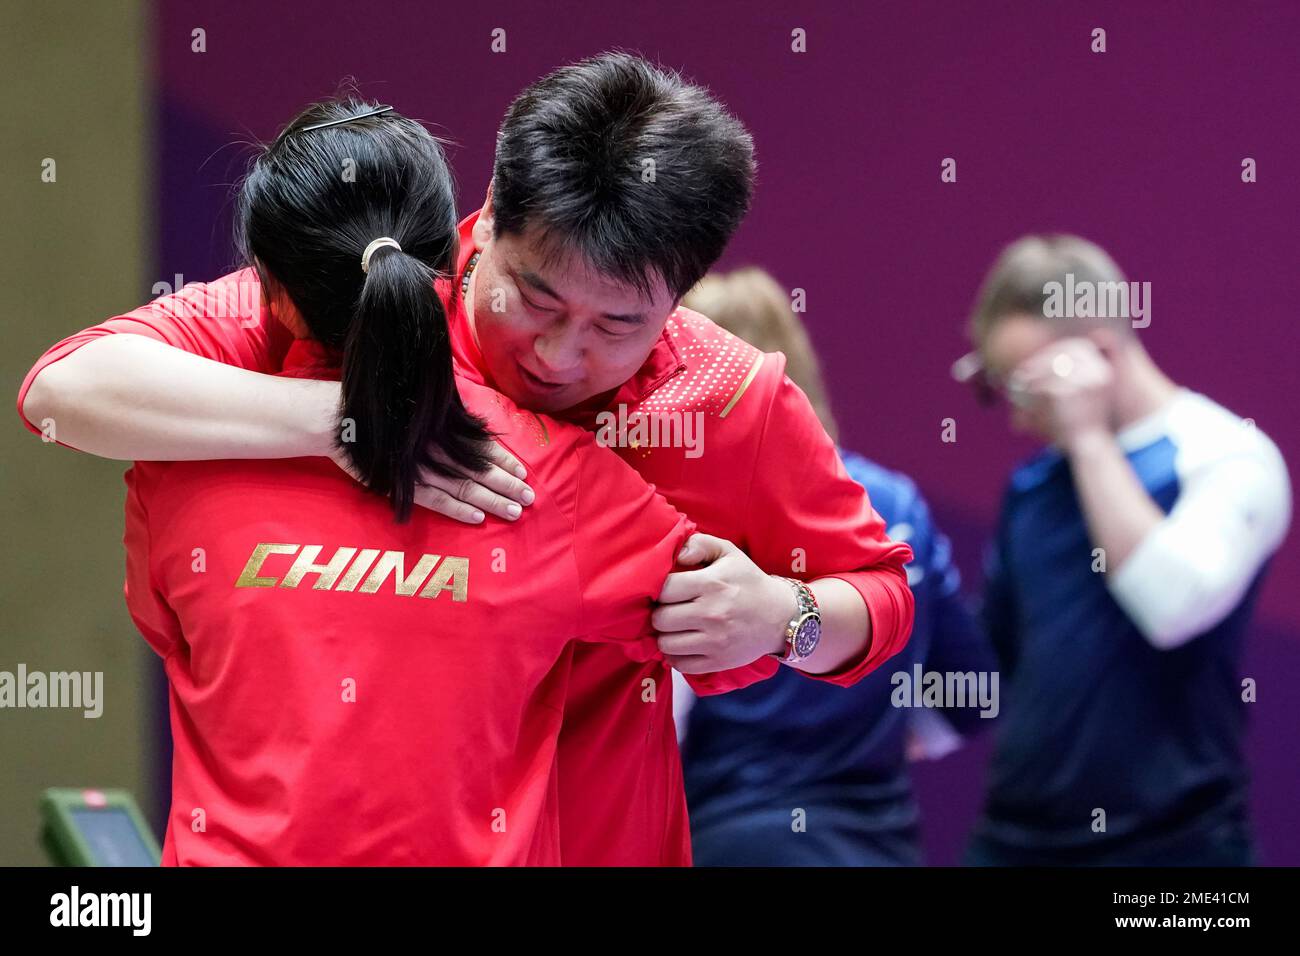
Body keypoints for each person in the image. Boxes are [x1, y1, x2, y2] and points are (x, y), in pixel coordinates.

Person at [19, 54, 915, 866]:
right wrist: (361, 420)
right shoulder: (377, 284)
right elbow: (65, 389)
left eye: (617, 327)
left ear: (680, 297)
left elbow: (880, 594)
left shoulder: (728, 400)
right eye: (534, 296)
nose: (560, 355)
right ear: (486, 223)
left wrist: (780, 613)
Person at [86, 97, 696, 865]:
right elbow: (723, 629)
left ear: (269, 292)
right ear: (450, 262)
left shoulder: (177, 464)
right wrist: (798, 611)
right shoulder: (558, 479)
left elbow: (166, 625)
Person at [952, 234, 1291, 866]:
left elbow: (1170, 607)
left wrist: (1087, 438)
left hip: (1175, 851)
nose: (1018, 420)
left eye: (1027, 390)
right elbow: (990, 662)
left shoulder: (1228, 457)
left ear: (1100, 354)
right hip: (1015, 842)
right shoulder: (1033, 486)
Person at [678, 268, 996, 865]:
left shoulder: (671, 515)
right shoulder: (894, 502)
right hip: (875, 844)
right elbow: (972, 696)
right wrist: (870, 748)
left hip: (728, 837)